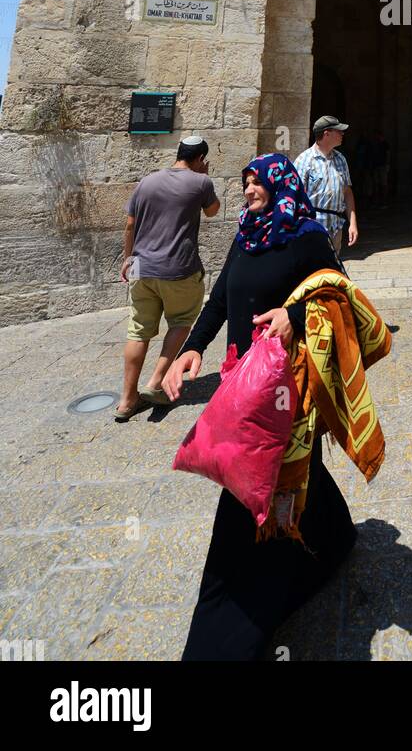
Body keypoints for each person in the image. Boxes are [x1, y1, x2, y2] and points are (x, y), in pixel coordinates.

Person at [163, 152, 390, 662]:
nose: (247, 191)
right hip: (242, 383)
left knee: (253, 493)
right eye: (243, 183)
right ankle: (332, 540)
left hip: (287, 391)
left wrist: (292, 313)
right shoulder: (247, 233)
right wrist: (192, 348)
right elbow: (222, 296)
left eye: (255, 183)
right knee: (298, 472)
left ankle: (226, 637)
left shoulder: (305, 236)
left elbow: (340, 295)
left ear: (279, 183)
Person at [116, 134, 220, 421]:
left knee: (138, 330)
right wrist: (205, 177)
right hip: (179, 269)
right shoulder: (201, 182)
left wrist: (128, 258)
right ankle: (156, 382)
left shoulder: (147, 181)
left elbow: (129, 225)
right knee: (182, 321)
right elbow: (213, 211)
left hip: (142, 268)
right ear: (200, 159)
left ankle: (126, 401)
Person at [294, 114, 358, 257]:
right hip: (313, 227)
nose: (342, 134)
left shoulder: (340, 159)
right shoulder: (304, 161)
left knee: (332, 271)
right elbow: (296, 197)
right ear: (326, 134)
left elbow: (347, 192)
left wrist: (352, 223)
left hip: (336, 228)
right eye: (338, 131)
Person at [370, 131, 390, 208]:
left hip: (383, 166)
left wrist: (387, 164)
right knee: (376, 184)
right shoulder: (376, 144)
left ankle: (384, 201)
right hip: (377, 166)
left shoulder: (385, 144)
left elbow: (388, 154)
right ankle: (377, 201)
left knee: (383, 184)